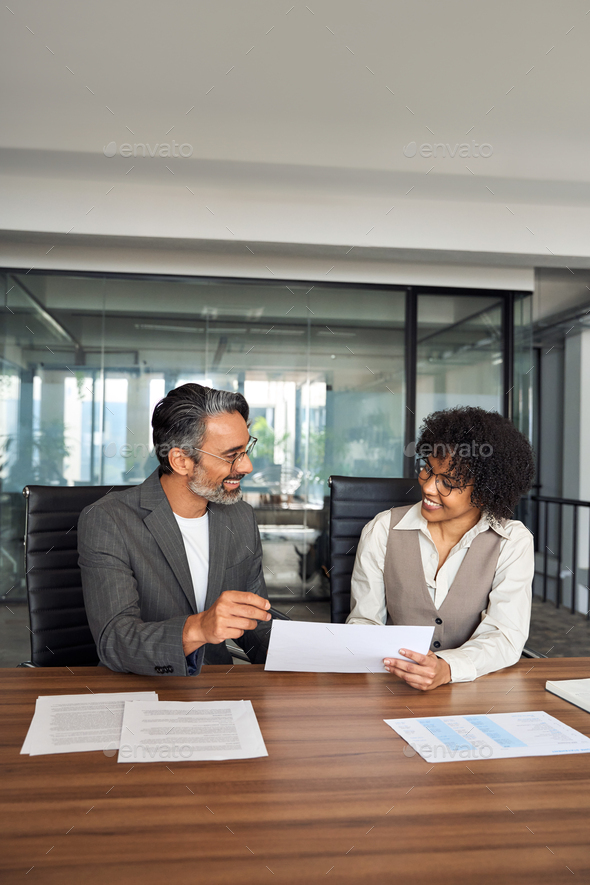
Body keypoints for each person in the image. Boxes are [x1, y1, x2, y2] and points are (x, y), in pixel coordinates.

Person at [78, 383, 272, 676]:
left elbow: (257, 627)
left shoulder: (240, 517)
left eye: (246, 449)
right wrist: (199, 628)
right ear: (181, 461)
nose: (246, 465)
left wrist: (316, 656)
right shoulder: (108, 520)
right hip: (140, 692)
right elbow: (116, 641)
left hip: (218, 693)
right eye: (232, 455)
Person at [347, 406, 536, 691]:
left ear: (486, 491)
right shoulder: (383, 529)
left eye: (448, 482)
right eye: (427, 469)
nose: (429, 488)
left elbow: (505, 635)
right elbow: (364, 621)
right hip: (394, 686)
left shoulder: (512, 541)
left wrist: (448, 668)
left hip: (475, 690)